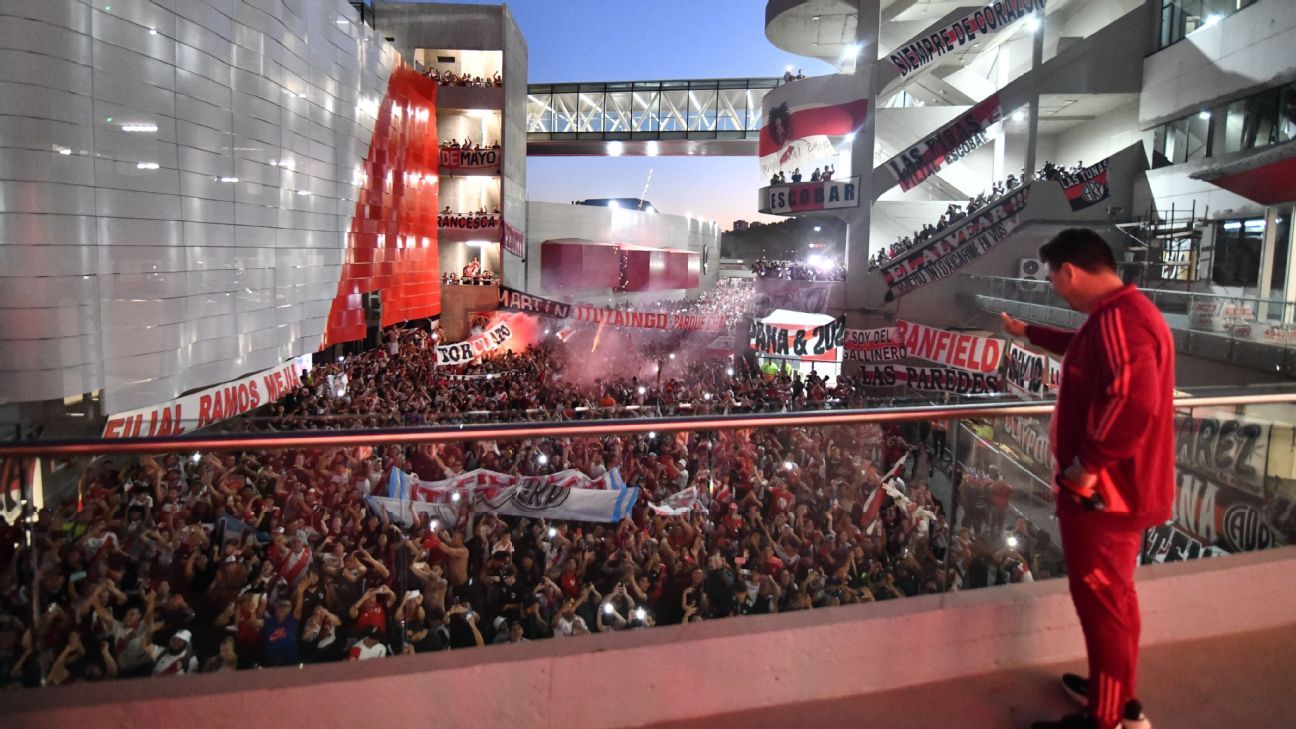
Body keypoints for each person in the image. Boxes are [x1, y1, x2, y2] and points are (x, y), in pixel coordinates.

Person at [1003, 228, 1172, 729]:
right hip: (1114, 493)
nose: (1055, 286)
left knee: (1102, 605)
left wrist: (1087, 468)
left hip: (1106, 496)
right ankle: (1118, 695)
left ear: (1069, 271)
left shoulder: (1124, 321)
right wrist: (1029, 333)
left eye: (1053, 277)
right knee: (1115, 599)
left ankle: (1106, 717)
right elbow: (1086, 347)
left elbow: (1132, 401)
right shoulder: (1118, 318)